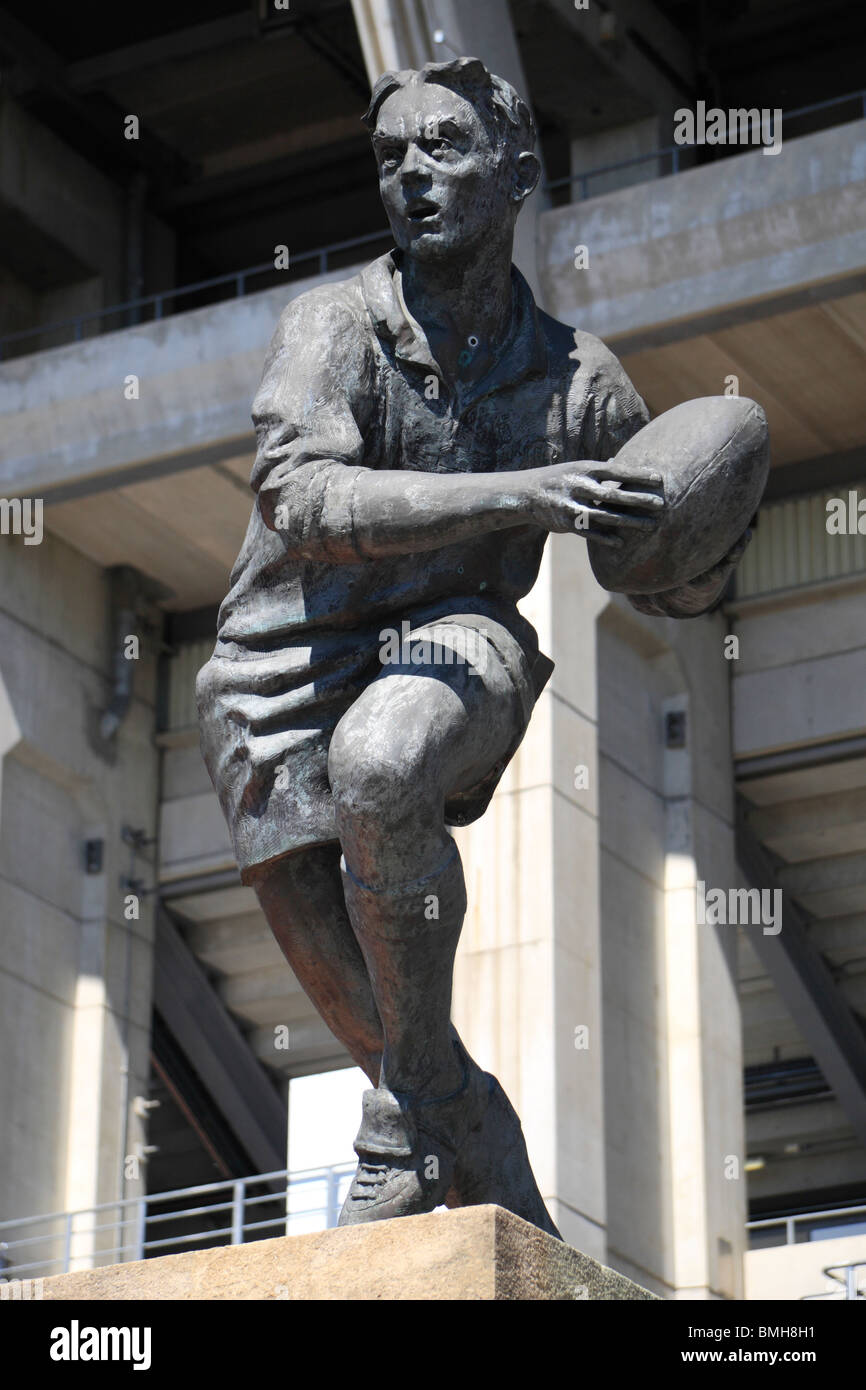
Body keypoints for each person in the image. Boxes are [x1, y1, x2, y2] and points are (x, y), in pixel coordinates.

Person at [197, 57, 746, 1235]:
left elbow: (651, 573)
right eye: (391, 158)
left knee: (386, 760)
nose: (412, 177)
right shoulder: (330, 325)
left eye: (443, 148)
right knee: (386, 1023)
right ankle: (455, 1113)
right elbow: (302, 499)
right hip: (277, 667)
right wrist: (517, 493)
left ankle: (405, 1129)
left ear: (515, 173)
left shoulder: (575, 377)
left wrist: (697, 553)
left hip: (452, 645)